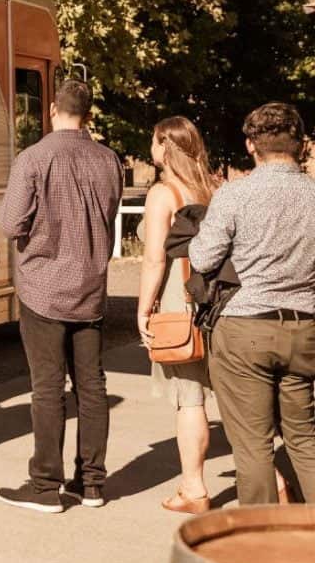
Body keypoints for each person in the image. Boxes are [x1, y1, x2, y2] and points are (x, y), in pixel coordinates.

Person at [0, 78, 123, 513]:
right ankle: (91, 483)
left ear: (52, 109)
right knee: (92, 385)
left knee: (47, 387)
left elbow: (12, 223)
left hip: (44, 287)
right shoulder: (109, 161)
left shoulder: (32, 158)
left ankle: (45, 485)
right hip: (90, 285)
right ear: (88, 115)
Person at [189, 102, 315, 505]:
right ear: (300, 144)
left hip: (246, 327)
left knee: (253, 445)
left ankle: (259, 546)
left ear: (250, 146)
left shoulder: (236, 194)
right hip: (305, 328)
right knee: (305, 439)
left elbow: (203, 258)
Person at [135, 117, 219, 514]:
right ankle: (274, 480)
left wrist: (142, 309)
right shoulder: (214, 187)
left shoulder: (162, 194)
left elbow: (154, 260)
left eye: (153, 141)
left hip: (178, 300)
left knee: (190, 398)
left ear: (164, 148)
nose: (149, 148)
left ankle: (194, 488)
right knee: (233, 396)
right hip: (217, 300)